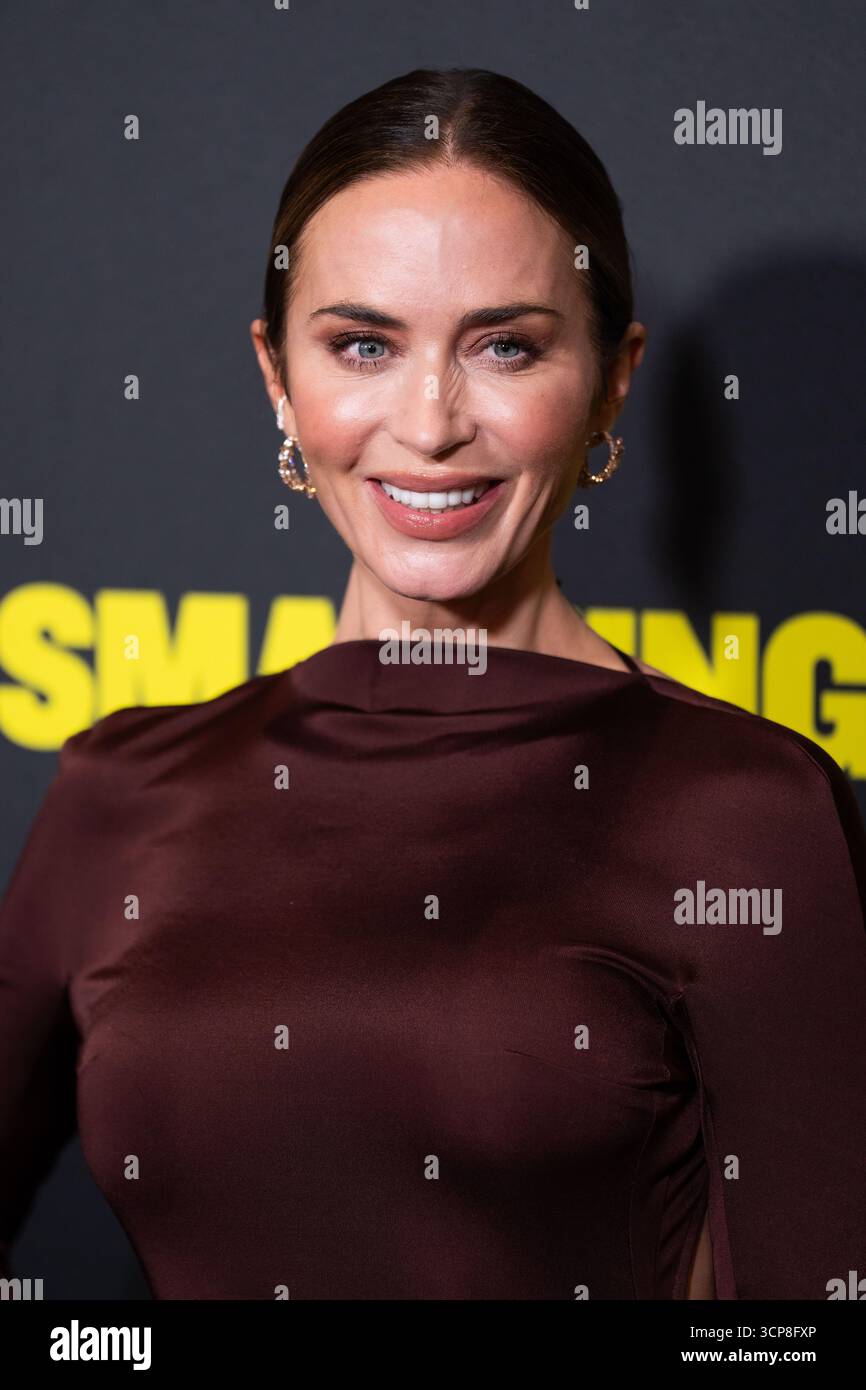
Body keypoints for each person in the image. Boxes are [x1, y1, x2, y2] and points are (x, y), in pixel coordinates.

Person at [1, 67, 864, 1301]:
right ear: (276, 379)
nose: (430, 421)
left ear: (612, 377)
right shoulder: (123, 787)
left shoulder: (743, 808)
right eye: (362, 344)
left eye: (503, 346)